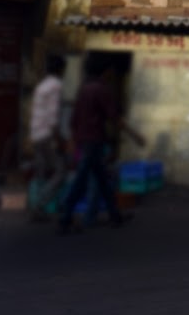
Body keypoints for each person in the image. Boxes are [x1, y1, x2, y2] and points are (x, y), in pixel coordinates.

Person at [57, 57, 144, 234]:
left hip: (85, 141)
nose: (111, 74)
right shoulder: (101, 90)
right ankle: (65, 216)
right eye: (110, 71)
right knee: (82, 181)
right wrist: (135, 135)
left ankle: (114, 215)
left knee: (102, 180)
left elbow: (74, 120)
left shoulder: (83, 89)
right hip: (93, 141)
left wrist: (73, 141)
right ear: (104, 72)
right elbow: (114, 118)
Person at [28, 55, 67, 219]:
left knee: (41, 173)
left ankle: (38, 208)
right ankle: (39, 204)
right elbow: (53, 116)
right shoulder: (56, 86)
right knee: (60, 172)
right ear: (61, 69)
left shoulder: (41, 86)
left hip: (36, 134)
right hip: (46, 135)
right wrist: (59, 139)